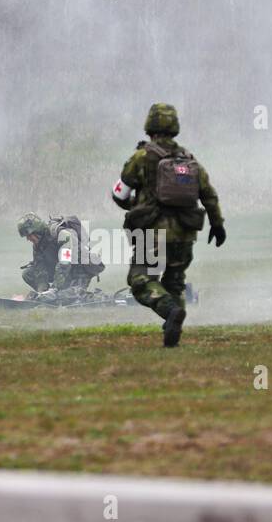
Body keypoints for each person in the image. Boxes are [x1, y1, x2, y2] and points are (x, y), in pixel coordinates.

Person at [112, 103, 224, 347]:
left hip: (152, 234)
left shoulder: (141, 157)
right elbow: (208, 194)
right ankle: (173, 332)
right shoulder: (188, 158)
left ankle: (170, 311)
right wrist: (217, 224)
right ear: (175, 127)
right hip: (185, 234)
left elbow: (119, 194)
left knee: (140, 279)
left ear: (149, 126)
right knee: (175, 281)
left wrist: (135, 206)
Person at [16, 213, 105, 303]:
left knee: (68, 296)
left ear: (37, 231)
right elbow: (40, 270)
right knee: (29, 273)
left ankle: (99, 298)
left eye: (29, 235)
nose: (28, 239)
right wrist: (42, 292)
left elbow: (64, 263)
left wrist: (54, 289)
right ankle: (54, 296)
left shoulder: (62, 234)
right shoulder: (38, 245)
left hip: (81, 268)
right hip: (63, 271)